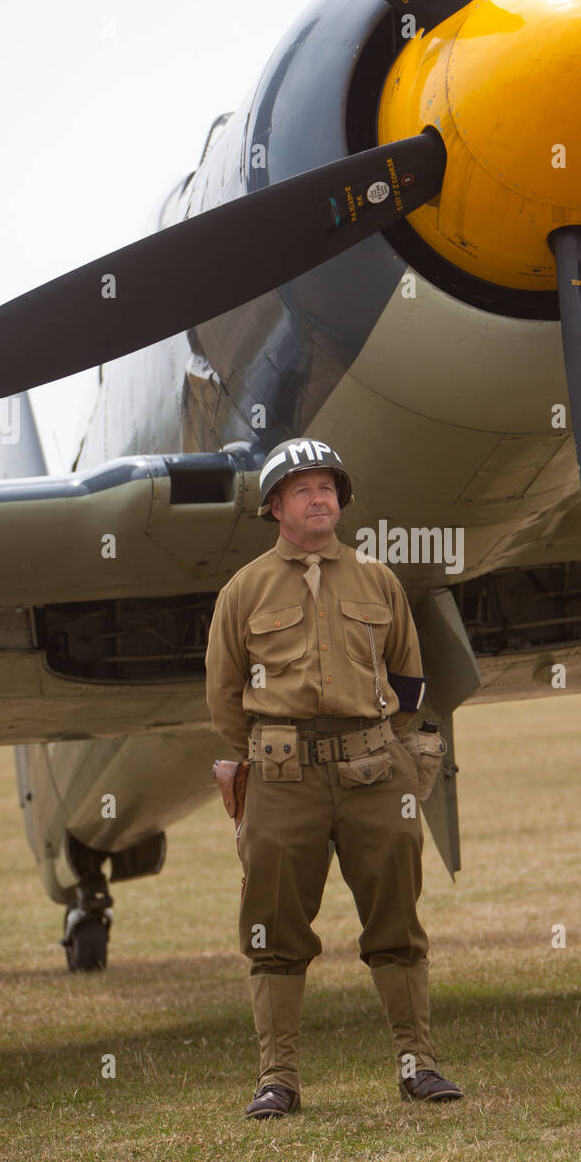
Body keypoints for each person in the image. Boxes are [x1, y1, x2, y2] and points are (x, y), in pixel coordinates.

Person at [205, 436, 462, 1117]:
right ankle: (277, 1081)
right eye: (302, 491)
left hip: (375, 773)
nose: (319, 500)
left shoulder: (379, 581)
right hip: (283, 783)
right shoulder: (244, 591)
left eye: (328, 489)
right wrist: (276, 752)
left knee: (397, 925)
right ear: (275, 508)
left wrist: (379, 747)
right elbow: (225, 700)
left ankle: (419, 1066)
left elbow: (408, 678)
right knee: (274, 934)